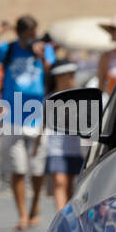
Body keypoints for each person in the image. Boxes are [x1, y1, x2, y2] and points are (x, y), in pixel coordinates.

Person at [0, 15, 54, 230]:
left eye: (35, 35)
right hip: (12, 117)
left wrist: (42, 56)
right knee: (18, 168)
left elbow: (52, 74)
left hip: (38, 118)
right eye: (29, 36)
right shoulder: (9, 49)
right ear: (20, 34)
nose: (33, 39)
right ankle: (22, 214)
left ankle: (35, 205)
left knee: (38, 169)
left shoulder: (44, 49)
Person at [44, 61, 86, 210]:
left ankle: (67, 217)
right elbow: (43, 124)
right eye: (70, 75)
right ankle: (61, 215)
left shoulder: (79, 97)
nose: (73, 79)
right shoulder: (49, 98)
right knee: (59, 181)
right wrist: (37, 146)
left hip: (73, 148)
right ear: (60, 77)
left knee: (69, 186)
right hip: (55, 148)